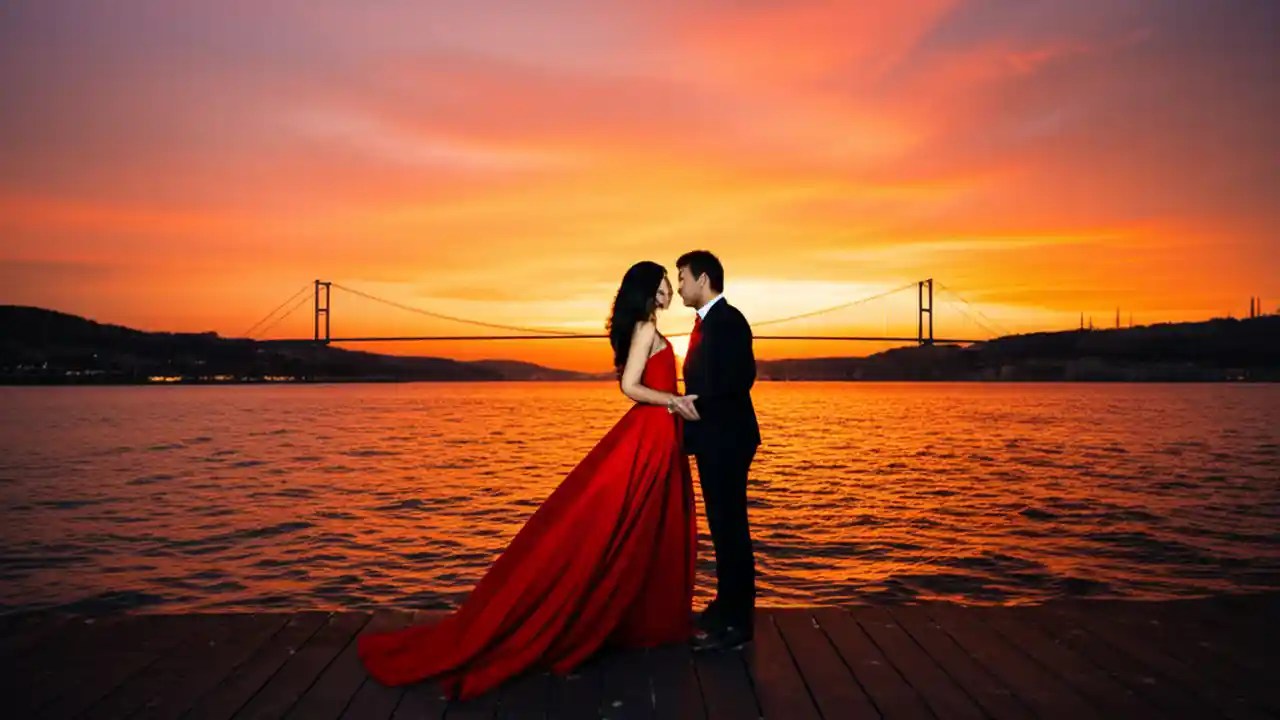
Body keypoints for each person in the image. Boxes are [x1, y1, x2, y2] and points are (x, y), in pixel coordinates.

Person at [358, 261, 701, 700]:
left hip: (656, 434)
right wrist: (673, 401)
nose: (669, 288)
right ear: (649, 289)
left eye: (671, 282)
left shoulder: (648, 328)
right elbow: (631, 387)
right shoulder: (643, 330)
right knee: (625, 529)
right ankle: (597, 618)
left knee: (645, 530)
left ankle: (638, 616)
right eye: (663, 282)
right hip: (649, 434)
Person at [676, 250, 761, 652]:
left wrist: (696, 406)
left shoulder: (728, 321)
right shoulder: (707, 324)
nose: (678, 287)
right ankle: (726, 606)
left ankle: (738, 622)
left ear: (703, 278)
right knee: (722, 527)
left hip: (727, 438)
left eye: (682, 278)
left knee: (731, 530)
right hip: (714, 438)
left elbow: (740, 378)